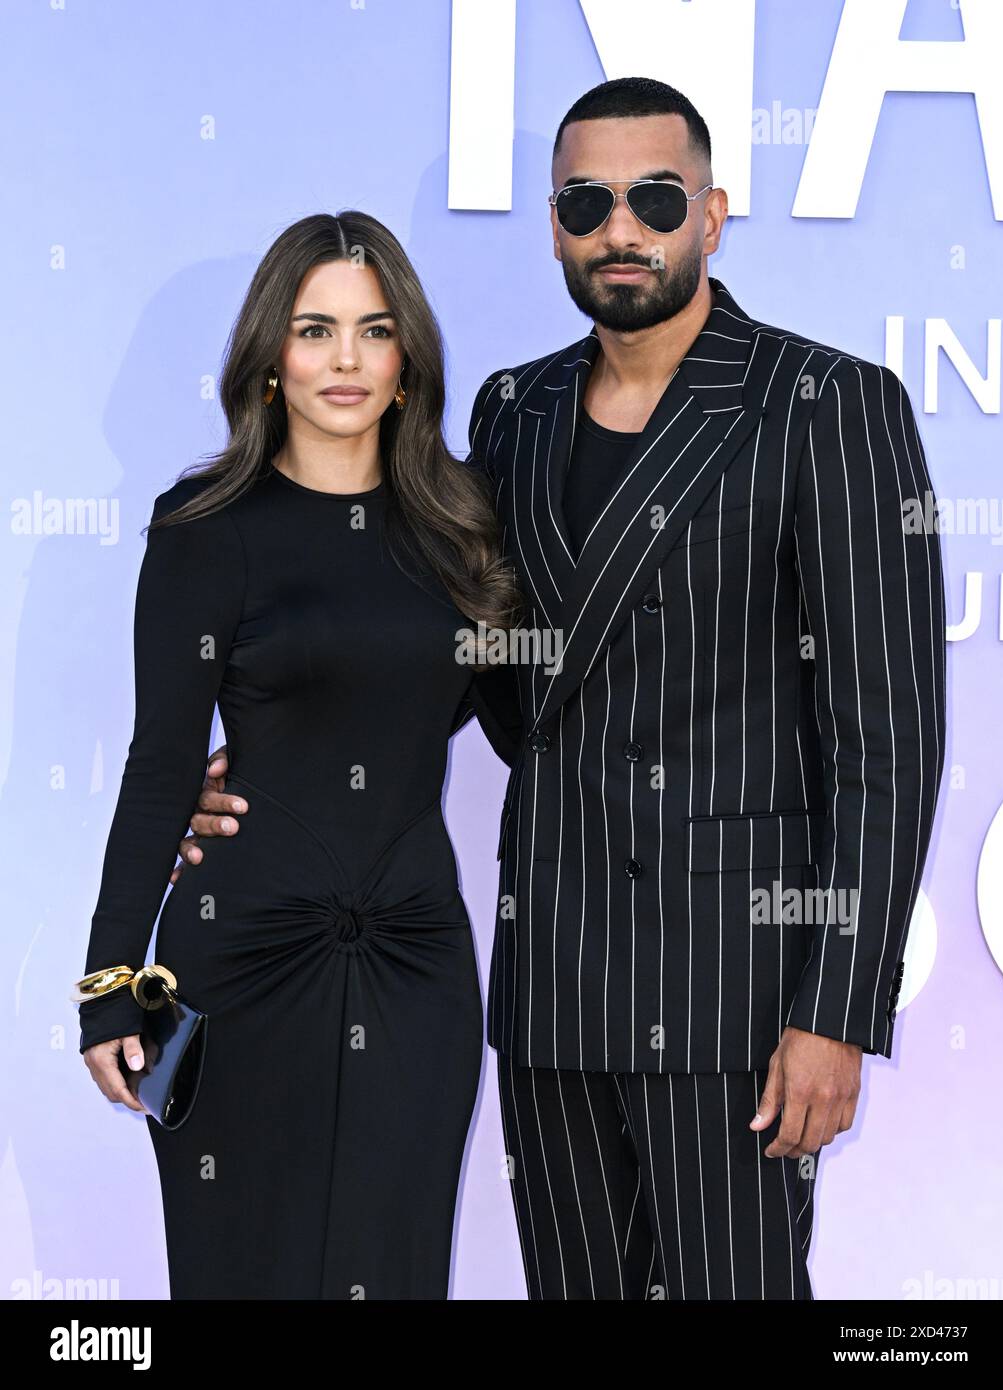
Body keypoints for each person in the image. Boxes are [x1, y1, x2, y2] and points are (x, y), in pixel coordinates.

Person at [145, 79, 948, 1300]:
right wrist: (281, 760)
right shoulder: (511, 413)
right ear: (556, 226)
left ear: (713, 216)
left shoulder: (826, 406)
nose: (620, 228)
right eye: (587, 202)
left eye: (654, 198)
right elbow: (478, 663)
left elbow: (888, 737)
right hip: (551, 977)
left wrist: (838, 1006)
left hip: (734, 993)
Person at [74, 210, 523, 1300]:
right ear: (271, 355)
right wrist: (106, 982)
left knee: (394, 1268)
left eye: (373, 331)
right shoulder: (203, 524)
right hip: (236, 963)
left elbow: (499, 715)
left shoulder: (463, 525)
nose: (344, 360)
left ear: (407, 355)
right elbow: (161, 760)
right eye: (315, 330)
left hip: (416, 961)